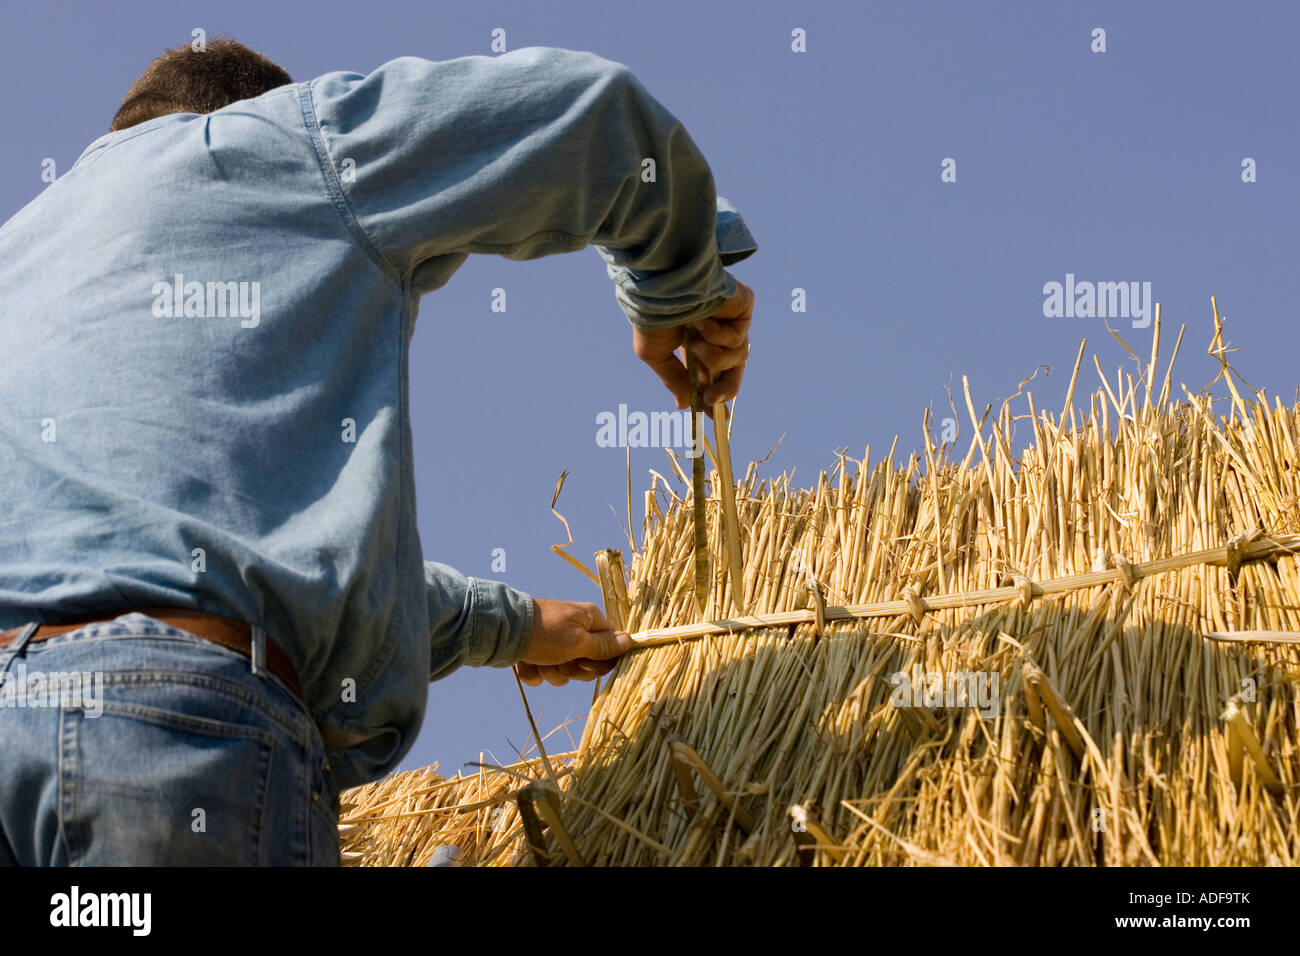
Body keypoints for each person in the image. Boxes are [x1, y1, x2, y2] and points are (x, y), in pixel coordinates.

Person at [0, 38, 756, 865]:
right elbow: (593, 116)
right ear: (246, 114)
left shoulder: (20, 254)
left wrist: (508, 624)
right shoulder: (283, 144)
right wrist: (678, 288)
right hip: (166, 743)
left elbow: (210, 554)